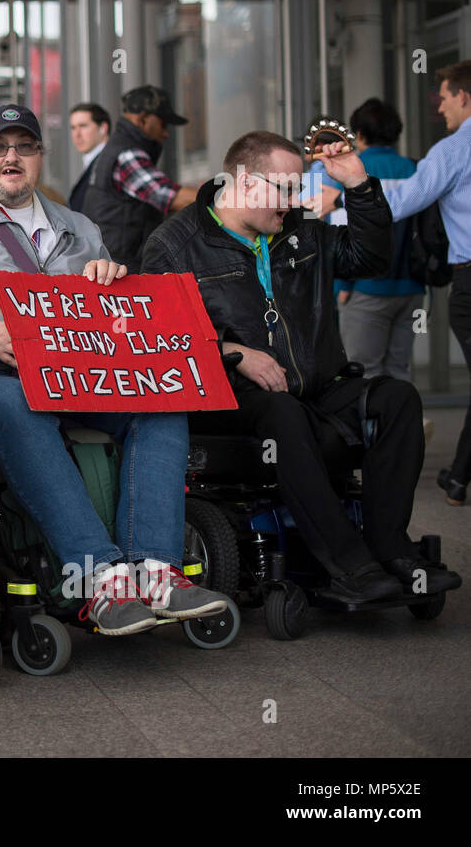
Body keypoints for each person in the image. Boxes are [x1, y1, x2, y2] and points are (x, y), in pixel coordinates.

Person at [0, 103, 227, 636]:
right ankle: (102, 578)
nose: (10, 157)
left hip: (77, 377)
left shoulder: (80, 227)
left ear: (41, 157)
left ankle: (155, 569)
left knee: (160, 403)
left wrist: (111, 280)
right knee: (21, 407)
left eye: (24, 146)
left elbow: (112, 321)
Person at [142, 130, 460, 602]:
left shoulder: (300, 231)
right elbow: (162, 342)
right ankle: (351, 567)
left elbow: (371, 258)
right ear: (246, 182)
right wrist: (233, 353)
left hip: (317, 388)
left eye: (298, 190)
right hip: (231, 400)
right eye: (285, 189)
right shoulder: (175, 245)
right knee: (280, 411)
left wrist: (359, 186)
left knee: (397, 398)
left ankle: (391, 550)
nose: (294, 202)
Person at [375, 61, 471, 505]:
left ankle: (458, 476)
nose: (441, 105)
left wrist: (342, 199)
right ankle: (458, 475)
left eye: (446, 97)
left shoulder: (454, 149)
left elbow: (400, 202)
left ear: (465, 98)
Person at [301, 100, 425, 381]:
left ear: (359, 134)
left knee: (362, 371)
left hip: (365, 288)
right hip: (412, 285)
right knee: (398, 371)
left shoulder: (353, 170)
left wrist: (343, 285)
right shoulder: (414, 169)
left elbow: (345, 230)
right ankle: (398, 424)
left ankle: (370, 426)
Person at [80, 86, 199, 273]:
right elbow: (173, 198)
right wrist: (226, 200)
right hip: (120, 271)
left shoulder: (117, 149)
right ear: (143, 119)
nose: (166, 133)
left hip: (113, 267)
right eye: (163, 124)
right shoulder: (126, 155)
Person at [67, 101, 111, 217]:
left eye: (83, 126)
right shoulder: (94, 162)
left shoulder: (113, 162)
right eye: (73, 128)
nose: (77, 134)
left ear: (103, 128)